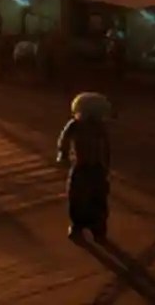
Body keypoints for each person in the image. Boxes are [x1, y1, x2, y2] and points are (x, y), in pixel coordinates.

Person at [57, 92, 112, 241]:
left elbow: (106, 147)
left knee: (98, 199)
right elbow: (64, 140)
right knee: (76, 198)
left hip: (95, 167)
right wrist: (63, 154)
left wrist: (106, 165)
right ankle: (78, 226)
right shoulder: (75, 125)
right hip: (81, 166)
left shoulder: (99, 127)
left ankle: (97, 228)